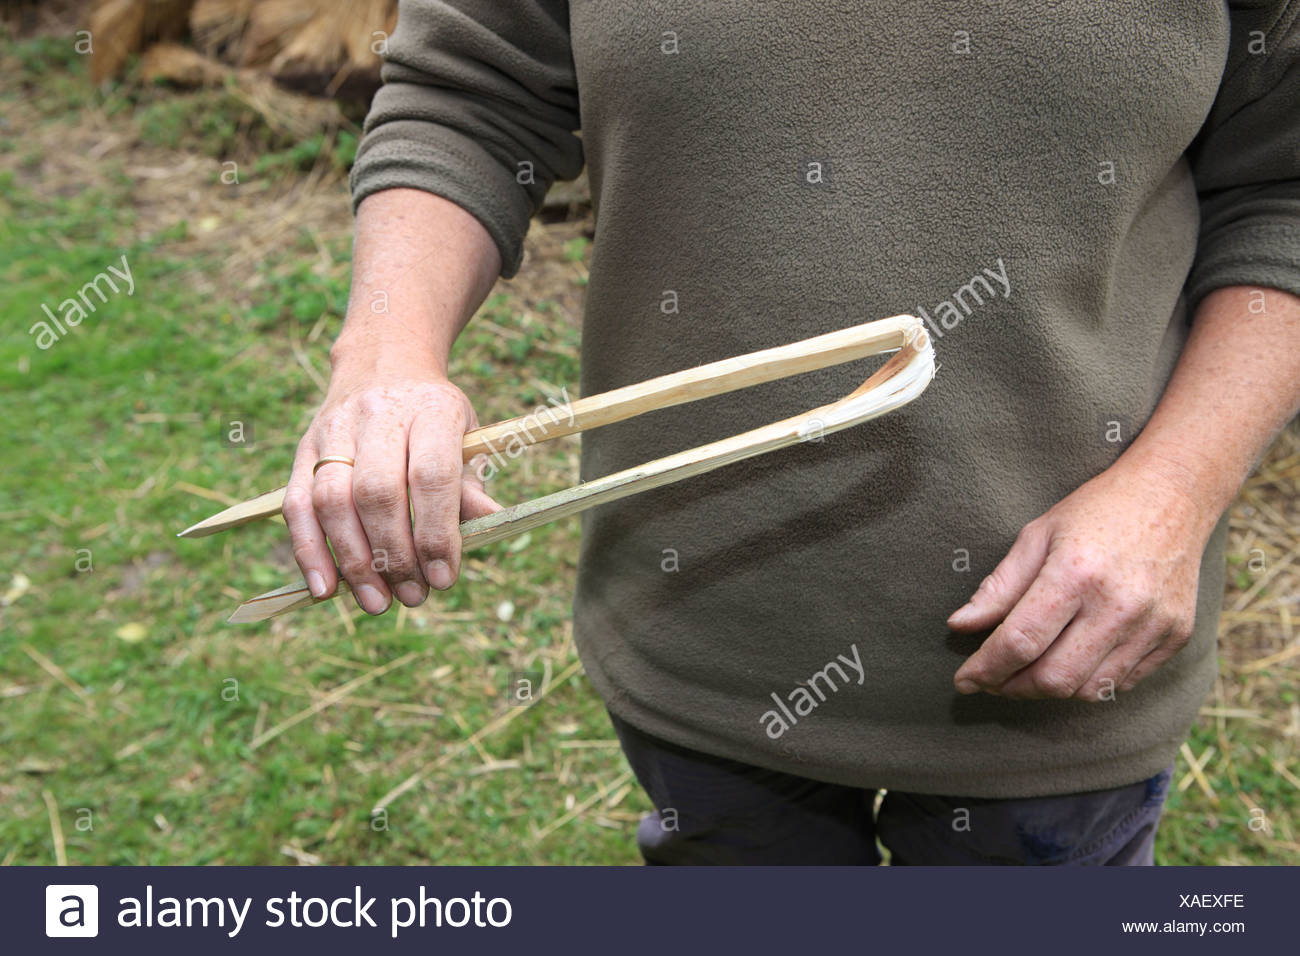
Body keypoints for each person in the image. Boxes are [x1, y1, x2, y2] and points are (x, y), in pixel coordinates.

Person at [282, 1, 1300, 864]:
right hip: (701, 632)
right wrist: (384, 360)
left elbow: (1283, 189)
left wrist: (1174, 492)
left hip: (1062, 656)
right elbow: (469, 93)